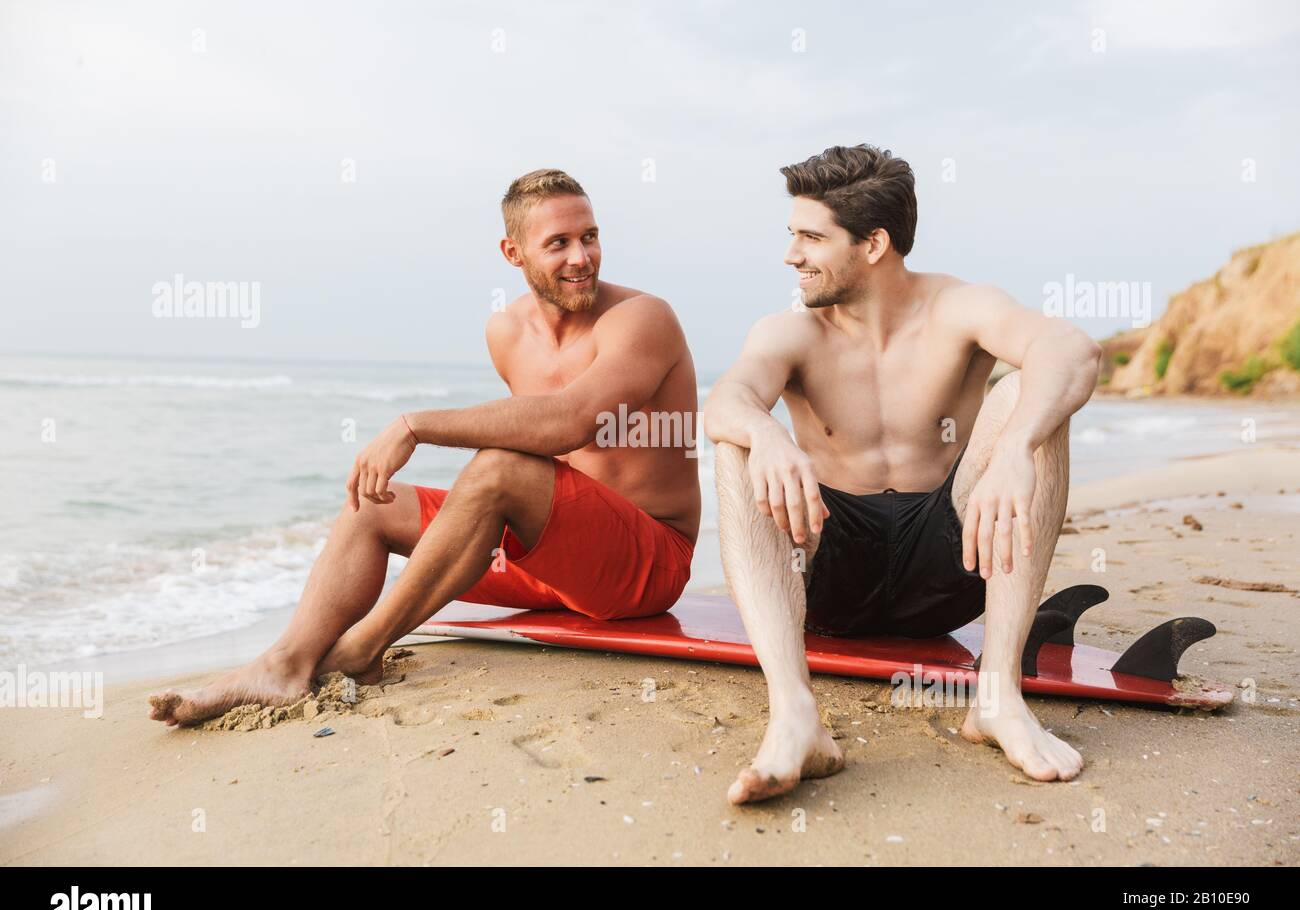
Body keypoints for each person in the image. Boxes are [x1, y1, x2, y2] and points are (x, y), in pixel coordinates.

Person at [150, 169, 701, 726]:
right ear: (513, 253)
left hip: (644, 567)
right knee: (374, 505)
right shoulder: (506, 331)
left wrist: (415, 425)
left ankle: (362, 648)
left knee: (500, 469)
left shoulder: (643, 319)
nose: (581, 257)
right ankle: (284, 665)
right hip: (552, 564)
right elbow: (533, 441)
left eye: (590, 236)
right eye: (558, 243)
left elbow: (572, 422)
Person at [701, 144, 1102, 804]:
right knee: (737, 439)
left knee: (1035, 398)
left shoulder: (958, 307)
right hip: (825, 574)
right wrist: (765, 432)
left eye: (810, 236)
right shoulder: (791, 333)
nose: (790, 255)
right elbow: (726, 399)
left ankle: (998, 698)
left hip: (951, 562)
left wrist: (1013, 450)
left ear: (874, 243)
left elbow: (1070, 349)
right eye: (791, 234)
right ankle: (795, 717)